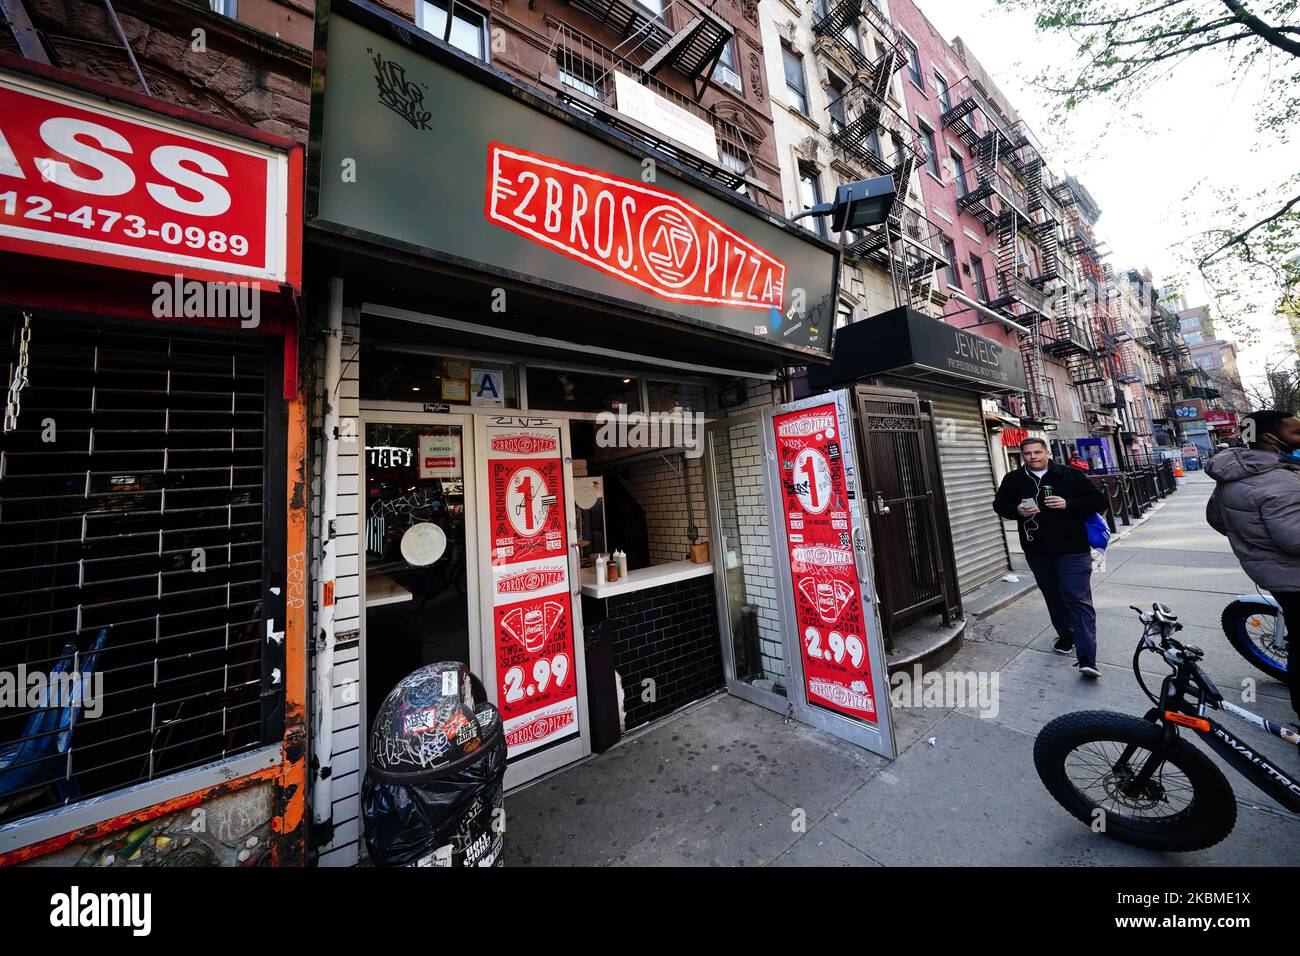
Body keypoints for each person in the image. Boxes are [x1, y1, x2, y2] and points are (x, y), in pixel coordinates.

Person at [1206, 409, 1300, 720]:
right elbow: (1293, 538)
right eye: (1295, 433)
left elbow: (1219, 518)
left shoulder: (1235, 473)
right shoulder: (1277, 480)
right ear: (1269, 438)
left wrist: (1253, 541)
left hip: (1272, 572)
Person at [994, 437, 1110, 677]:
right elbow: (999, 504)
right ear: (1022, 456)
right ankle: (1067, 636)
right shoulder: (1014, 479)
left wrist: (1068, 504)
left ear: (1047, 453)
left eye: (1037, 452)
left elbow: (1098, 500)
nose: (1033, 457)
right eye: (1027, 453)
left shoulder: (1070, 475)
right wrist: (1016, 510)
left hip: (1073, 549)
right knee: (1053, 596)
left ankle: (1088, 657)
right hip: (1037, 551)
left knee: (1078, 599)